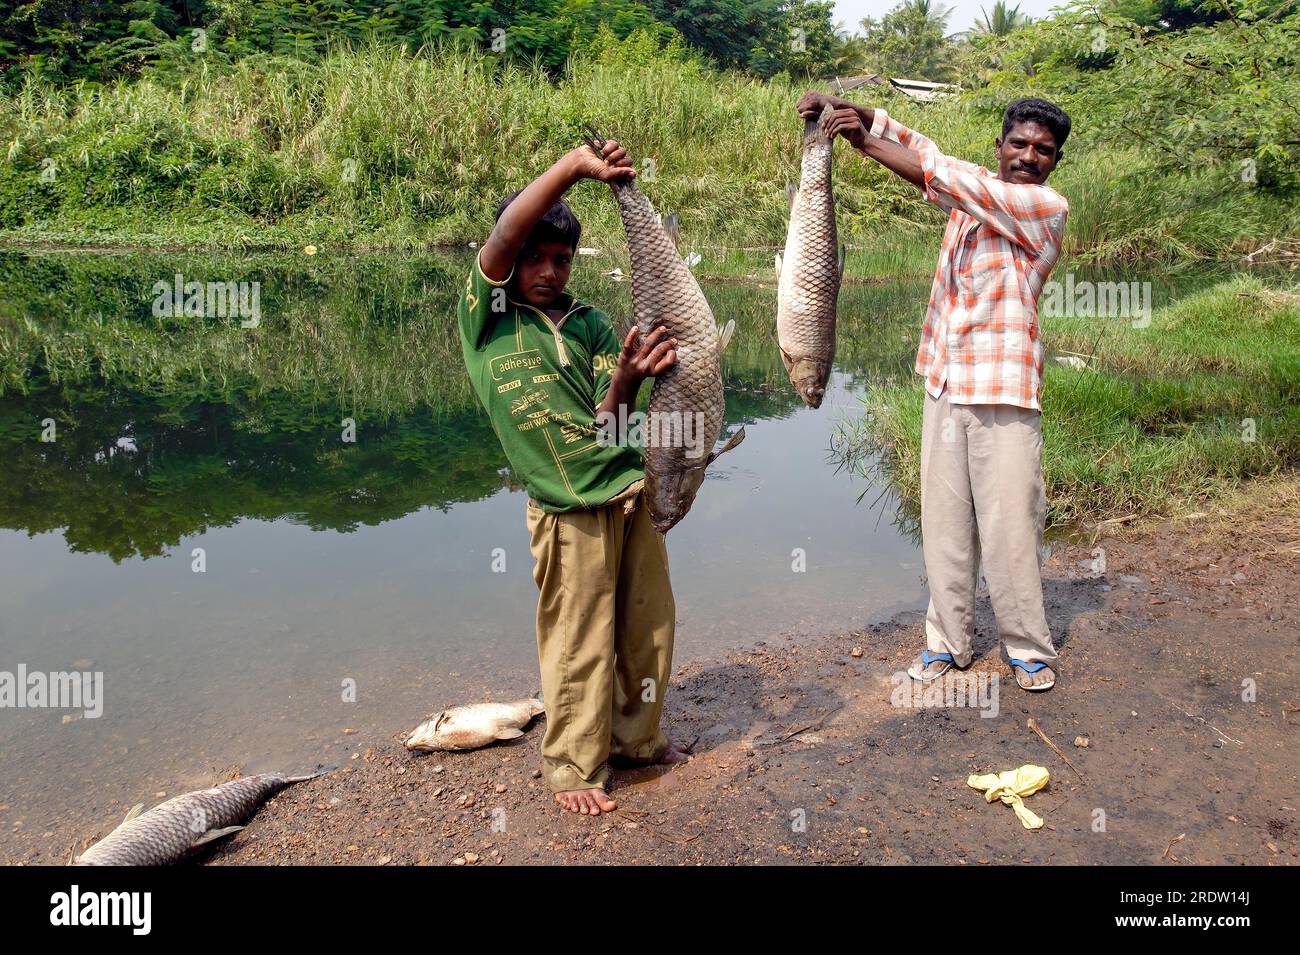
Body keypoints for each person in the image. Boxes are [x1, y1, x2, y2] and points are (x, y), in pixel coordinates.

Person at [798, 92, 1072, 692]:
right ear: (1000, 147)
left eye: (1043, 151)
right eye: (1020, 144)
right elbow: (928, 151)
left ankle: (1027, 647)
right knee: (945, 526)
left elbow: (936, 173)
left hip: (1003, 388)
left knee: (1010, 528)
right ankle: (948, 643)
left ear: (1053, 162)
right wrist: (860, 114)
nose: (1029, 157)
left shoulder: (1041, 207)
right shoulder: (975, 182)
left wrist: (862, 142)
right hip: (945, 381)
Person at [457, 137, 689, 816]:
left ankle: (636, 741)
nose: (550, 271)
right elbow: (504, 231)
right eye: (536, 258)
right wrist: (573, 167)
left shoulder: (588, 322)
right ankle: (573, 766)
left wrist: (625, 377)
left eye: (562, 260)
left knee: (647, 631)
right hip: (567, 507)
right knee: (578, 641)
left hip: (630, 488)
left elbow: (607, 424)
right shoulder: (488, 319)